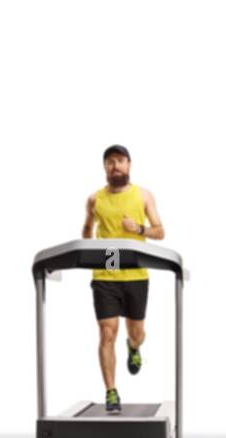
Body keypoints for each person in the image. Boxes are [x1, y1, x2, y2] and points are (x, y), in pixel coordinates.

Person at [81, 145, 166, 413]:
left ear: (129, 165)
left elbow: (160, 231)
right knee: (107, 332)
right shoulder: (95, 199)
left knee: (136, 332)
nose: (115, 166)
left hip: (136, 271)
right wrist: (87, 239)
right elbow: (86, 230)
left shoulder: (143, 195)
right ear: (104, 168)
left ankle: (133, 347)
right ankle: (111, 391)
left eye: (119, 161)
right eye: (109, 162)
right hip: (107, 268)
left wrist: (139, 228)